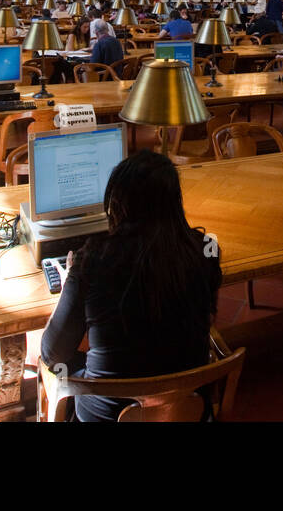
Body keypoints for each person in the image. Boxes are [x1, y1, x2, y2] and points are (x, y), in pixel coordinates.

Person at [39, 152, 222, 421]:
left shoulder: (92, 260)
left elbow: (52, 354)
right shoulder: (206, 251)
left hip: (106, 416)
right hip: (187, 409)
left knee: (63, 362)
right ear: (175, 202)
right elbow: (207, 319)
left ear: (117, 206)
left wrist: (70, 283)